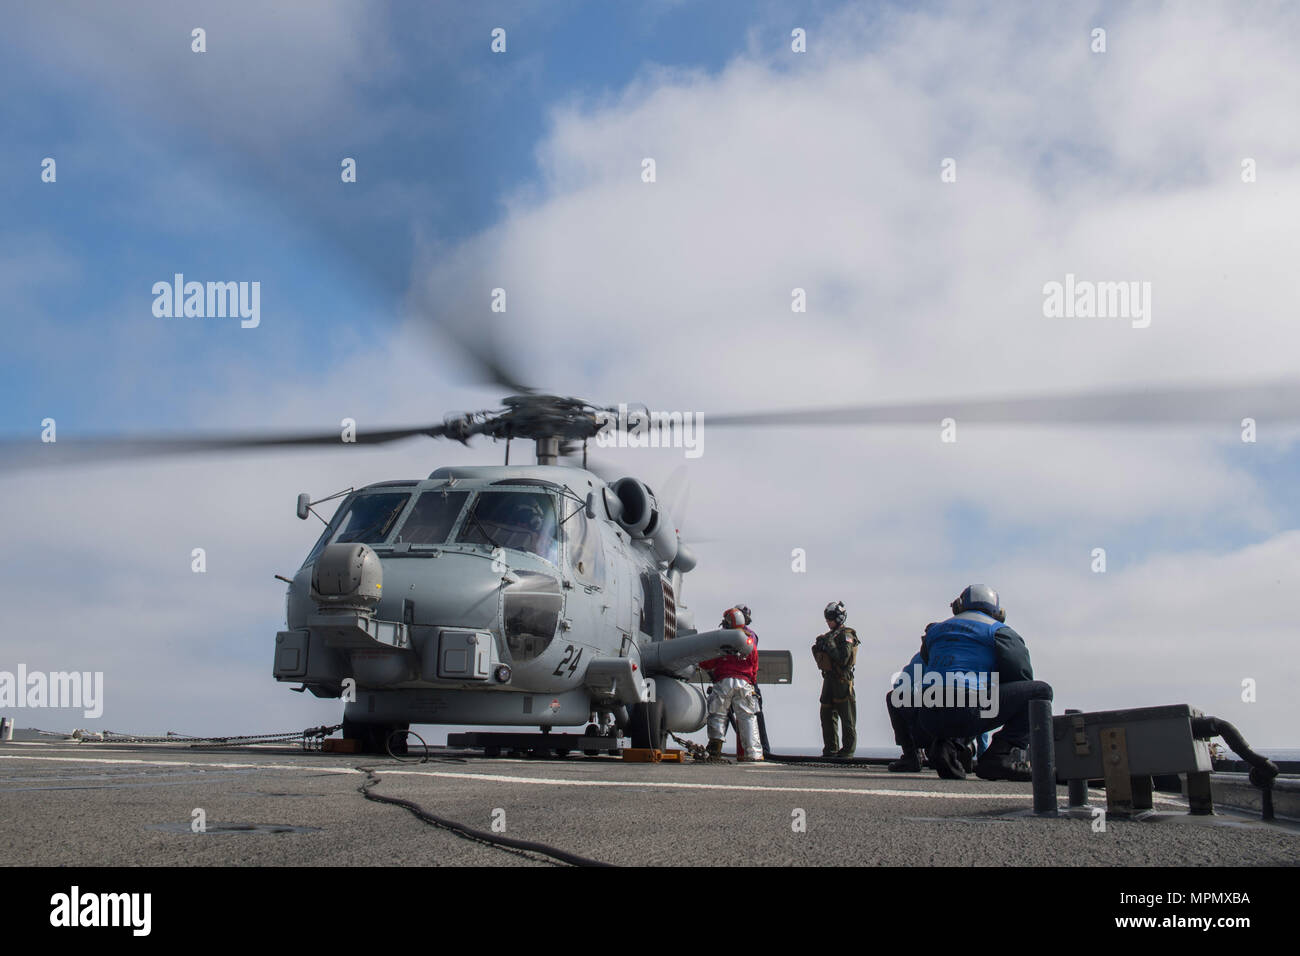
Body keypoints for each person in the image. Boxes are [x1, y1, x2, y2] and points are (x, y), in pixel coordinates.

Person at [890, 585, 1052, 781]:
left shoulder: (935, 632)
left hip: (928, 717)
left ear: (958, 606)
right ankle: (999, 756)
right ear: (998, 612)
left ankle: (944, 747)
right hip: (968, 712)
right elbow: (1021, 677)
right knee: (1040, 692)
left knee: (946, 696)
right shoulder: (1000, 632)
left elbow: (921, 667)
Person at [701, 608, 763, 761]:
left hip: (724, 682)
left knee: (718, 716)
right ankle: (754, 754)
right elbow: (754, 666)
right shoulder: (749, 641)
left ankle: (715, 751)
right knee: (748, 718)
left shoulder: (722, 641)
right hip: (745, 684)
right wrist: (752, 682)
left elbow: (708, 662)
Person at [813, 601, 860, 758]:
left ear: (839, 618)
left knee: (847, 716)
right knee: (826, 714)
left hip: (842, 680)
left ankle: (847, 751)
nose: (828, 621)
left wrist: (830, 646)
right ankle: (831, 749)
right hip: (829, 679)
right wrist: (819, 647)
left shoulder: (846, 635)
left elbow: (844, 658)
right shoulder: (828, 636)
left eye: (830, 618)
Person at [726, 604, 772, 757]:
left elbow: (751, 654)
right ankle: (715, 748)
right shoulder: (728, 634)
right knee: (723, 712)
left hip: (745, 680)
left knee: (755, 714)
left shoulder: (749, 635)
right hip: (738, 678)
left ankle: (763, 749)